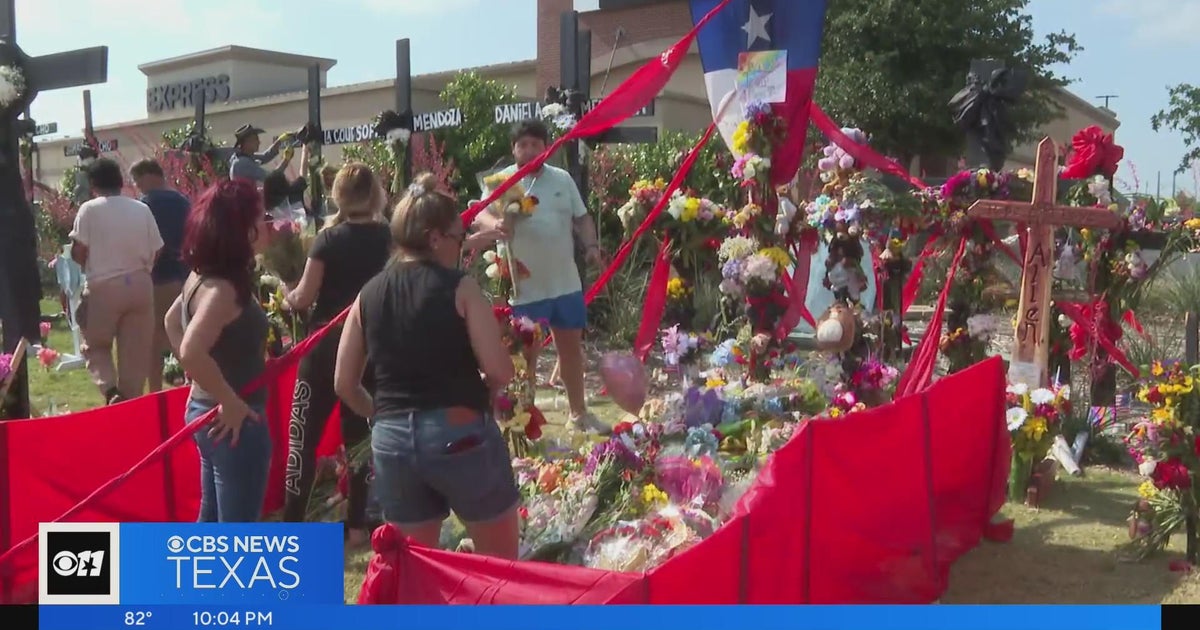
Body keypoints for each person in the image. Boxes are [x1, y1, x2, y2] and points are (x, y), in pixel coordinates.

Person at [334, 173, 520, 559]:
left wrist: (380, 415)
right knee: (500, 566)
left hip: (393, 440)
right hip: (459, 430)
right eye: (458, 237)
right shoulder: (460, 287)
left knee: (416, 570)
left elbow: (344, 382)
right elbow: (501, 371)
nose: (461, 245)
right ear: (435, 238)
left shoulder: (367, 295)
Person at [472, 119, 608, 434]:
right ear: (514, 149)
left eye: (536, 144)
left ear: (546, 147)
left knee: (571, 351)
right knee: (524, 359)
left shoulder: (562, 179)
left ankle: (579, 414)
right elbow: (479, 213)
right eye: (523, 145)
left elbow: (583, 218)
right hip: (524, 289)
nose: (530, 150)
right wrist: (494, 225)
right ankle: (521, 423)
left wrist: (590, 245)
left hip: (565, 283)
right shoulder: (501, 181)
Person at [280, 163, 391, 544]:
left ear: (337, 195)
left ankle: (292, 523)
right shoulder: (389, 238)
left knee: (303, 437)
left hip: (327, 344)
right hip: (372, 345)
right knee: (358, 435)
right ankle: (357, 523)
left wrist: (284, 289)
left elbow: (303, 298)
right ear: (375, 194)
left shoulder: (328, 240)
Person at [164, 179, 272, 523]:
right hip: (231, 421)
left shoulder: (202, 276)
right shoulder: (223, 290)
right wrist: (228, 398)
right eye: (261, 217)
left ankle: (198, 577)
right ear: (242, 230)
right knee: (237, 536)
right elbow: (192, 349)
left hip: (206, 411)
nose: (268, 223)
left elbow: (172, 322)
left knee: (211, 522)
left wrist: (204, 383)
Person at [70, 158, 163, 404]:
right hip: (141, 284)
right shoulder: (141, 209)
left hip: (104, 285)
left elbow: (79, 250)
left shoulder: (89, 209)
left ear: (92, 184)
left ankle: (111, 392)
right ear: (121, 182)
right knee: (135, 354)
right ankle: (130, 403)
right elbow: (157, 249)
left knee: (95, 345)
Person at [130, 158, 192, 392]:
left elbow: (152, 245)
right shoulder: (183, 201)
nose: (137, 186)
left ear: (149, 176)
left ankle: (155, 391)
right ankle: (194, 380)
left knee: (154, 338)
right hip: (185, 275)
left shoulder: (146, 204)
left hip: (160, 276)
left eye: (137, 180)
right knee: (183, 330)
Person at [229, 124, 294, 184]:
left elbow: (264, 157)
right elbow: (271, 178)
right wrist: (286, 159)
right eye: (255, 139)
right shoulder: (242, 163)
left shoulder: (242, 157)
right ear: (246, 143)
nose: (259, 142)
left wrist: (279, 141)